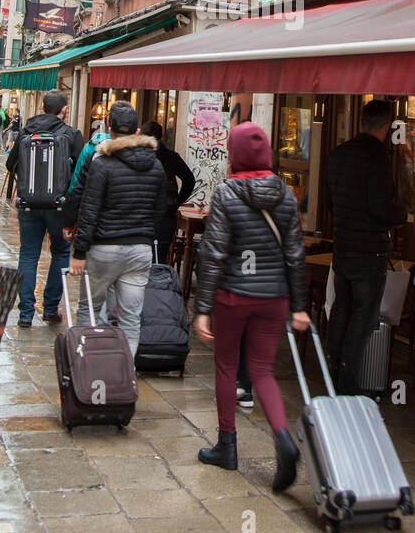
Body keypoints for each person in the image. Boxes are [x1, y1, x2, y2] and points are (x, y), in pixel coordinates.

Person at [193, 121, 310, 491]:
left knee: (227, 367)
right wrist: (300, 305)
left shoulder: (227, 194)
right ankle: (282, 437)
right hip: (274, 299)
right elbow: (295, 254)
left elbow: (213, 254)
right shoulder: (287, 196)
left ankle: (227, 447)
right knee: (262, 371)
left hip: (233, 296)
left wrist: (203, 307)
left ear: (235, 153)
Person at [68, 101, 166, 357]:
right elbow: (160, 209)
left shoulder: (102, 163)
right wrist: (145, 232)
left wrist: (79, 253)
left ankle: (90, 366)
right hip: (140, 249)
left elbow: (90, 211)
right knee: (131, 320)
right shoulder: (156, 165)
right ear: (136, 131)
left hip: (104, 248)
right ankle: (124, 371)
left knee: (90, 309)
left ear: (109, 129)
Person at [323, 99, 405, 395]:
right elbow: (380, 208)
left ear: (361, 122)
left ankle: (332, 372)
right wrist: (402, 215)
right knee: (364, 315)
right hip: (369, 250)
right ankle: (348, 382)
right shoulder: (378, 159)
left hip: (343, 246)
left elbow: (328, 203)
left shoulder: (338, 155)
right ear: (386, 127)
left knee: (341, 309)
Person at [6, 90, 83, 327]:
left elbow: (10, 164)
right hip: (59, 206)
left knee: (28, 254)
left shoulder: (26, 131)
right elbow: (80, 172)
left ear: (42, 107)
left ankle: (26, 314)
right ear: (64, 110)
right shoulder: (71, 134)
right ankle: (50, 309)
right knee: (60, 253)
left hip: (28, 205)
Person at [140, 120, 196, 263]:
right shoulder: (171, 156)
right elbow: (189, 180)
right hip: (166, 215)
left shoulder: (138, 157)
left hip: (142, 216)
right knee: (159, 259)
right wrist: (177, 201)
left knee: (140, 260)